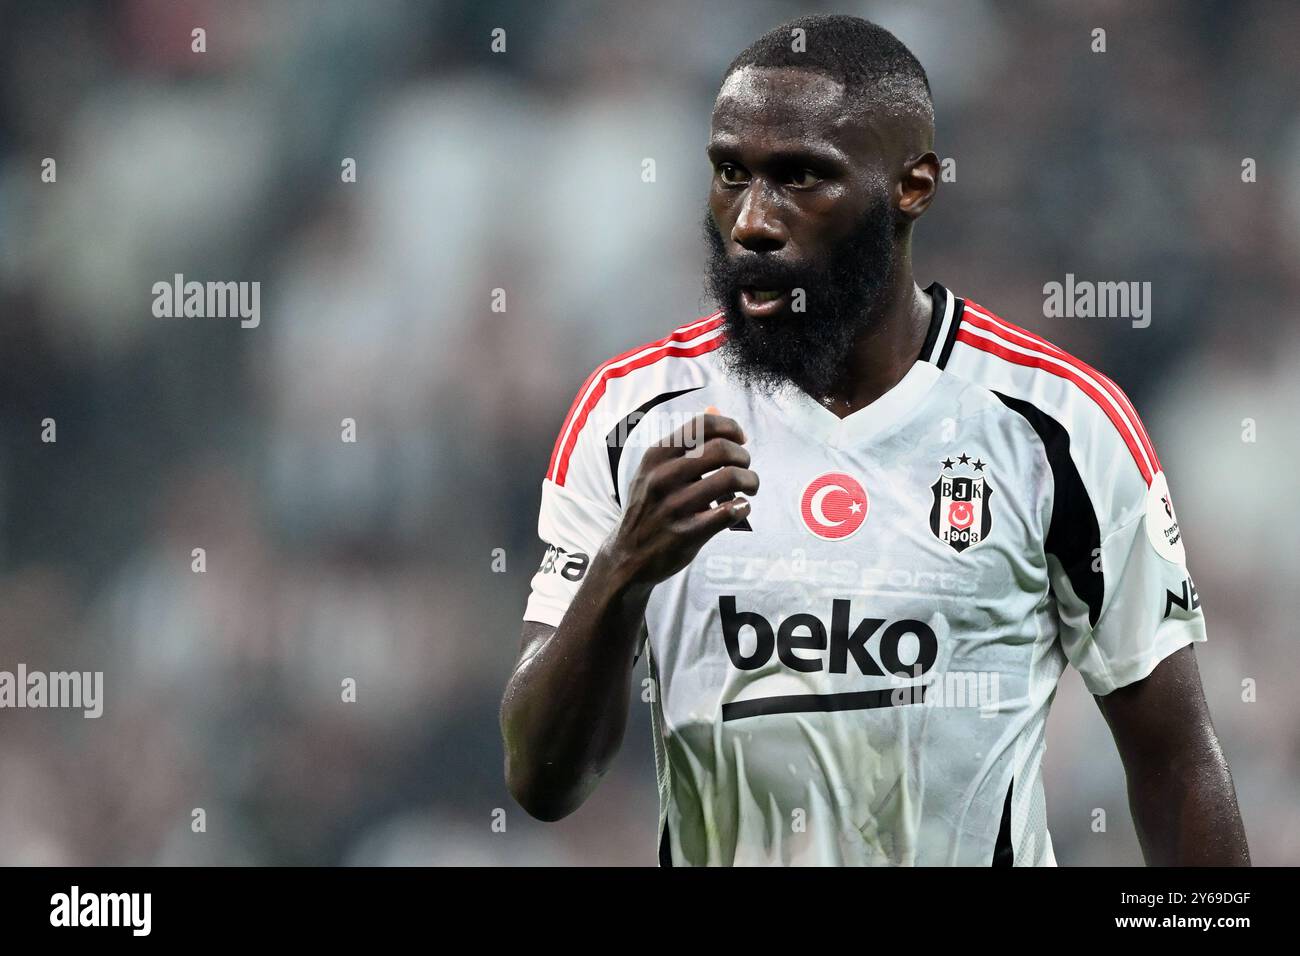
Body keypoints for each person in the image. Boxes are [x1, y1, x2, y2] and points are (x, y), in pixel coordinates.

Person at [500, 14, 1249, 866]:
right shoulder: (633, 412)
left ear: (913, 185)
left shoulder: (1060, 422)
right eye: (730, 173)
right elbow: (542, 781)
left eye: (800, 179)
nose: (751, 220)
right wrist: (622, 573)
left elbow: (1176, 760)